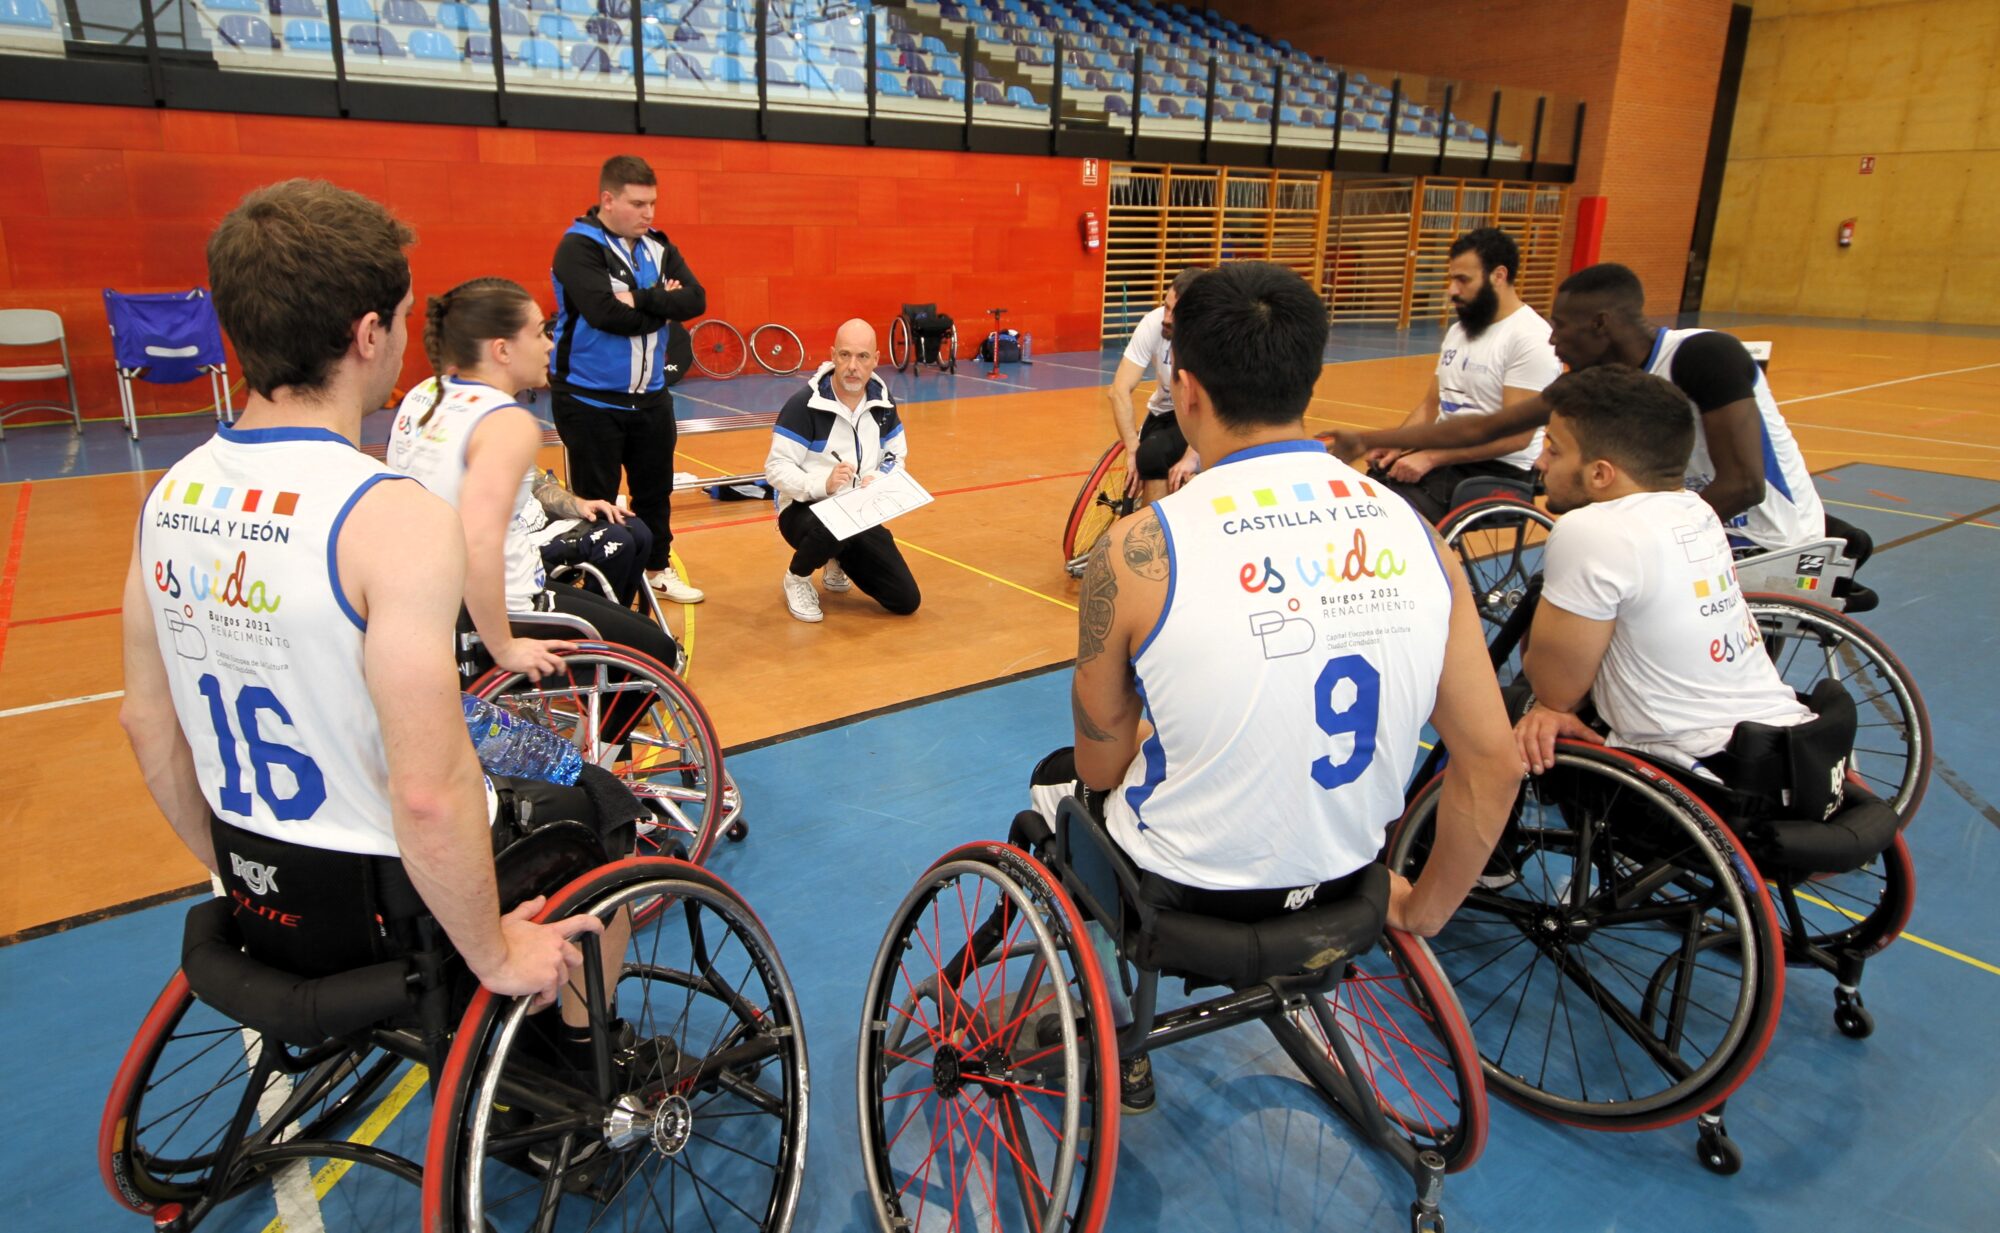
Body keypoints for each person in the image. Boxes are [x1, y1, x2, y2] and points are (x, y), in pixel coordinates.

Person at [118, 179, 601, 1018]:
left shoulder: (169, 495)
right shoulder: (388, 517)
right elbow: (426, 788)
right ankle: (577, 1054)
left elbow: (147, 724)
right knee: (591, 795)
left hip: (264, 879)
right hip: (385, 894)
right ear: (368, 332)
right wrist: (491, 949)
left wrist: (245, 875)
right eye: (406, 316)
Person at [1054, 263, 1522, 1112]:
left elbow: (1098, 768)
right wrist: (1424, 910)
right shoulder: (1420, 534)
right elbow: (1492, 760)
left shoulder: (1135, 550)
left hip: (1182, 894)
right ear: (1309, 380)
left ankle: (1070, 1013)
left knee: (1063, 789)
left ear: (1184, 389)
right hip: (1349, 885)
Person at [1334, 263, 1835, 558]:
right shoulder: (1600, 381)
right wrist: (1373, 437)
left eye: (1561, 326)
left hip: (1769, 538)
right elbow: (1492, 425)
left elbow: (1743, 484)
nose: (1552, 338)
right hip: (1699, 527)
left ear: (1600, 324)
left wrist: (1637, 540)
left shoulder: (1704, 355)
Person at [386, 277, 683, 709]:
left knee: (626, 621)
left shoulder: (425, 395)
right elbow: (479, 541)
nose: (551, 343)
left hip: (430, 603)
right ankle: (594, 769)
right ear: (502, 349)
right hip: (499, 609)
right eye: (541, 331)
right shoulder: (505, 421)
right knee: (659, 654)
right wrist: (504, 645)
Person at [1512, 365, 1810, 778]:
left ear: (1600, 473)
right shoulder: (1697, 509)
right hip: (1778, 745)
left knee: (1497, 714)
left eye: (1553, 449)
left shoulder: (1593, 529)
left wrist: (1547, 698)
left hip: (1689, 767)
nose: (1540, 462)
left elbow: (1554, 690)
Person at [550, 154, 706, 604]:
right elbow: (602, 314)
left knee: (654, 493)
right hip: (589, 400)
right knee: (596, 499)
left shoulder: (659, 246)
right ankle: (599, 586)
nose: (649, 214)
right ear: (608, 200)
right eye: (638, 204)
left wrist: (638, 298)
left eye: (653, 203)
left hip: (651, 399)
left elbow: (694, 300)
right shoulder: (578, 247)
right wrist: (660, 305)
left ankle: (658, 569)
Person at [1365, 227, 1560, 522]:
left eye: (1463, 280)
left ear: (1499, 276)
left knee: (1396, 514)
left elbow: (1516, 438)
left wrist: (1430, 457)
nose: (1452, 290)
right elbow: (1431, 406)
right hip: (1450, 457)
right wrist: (1399, 442)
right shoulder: (1459, 331)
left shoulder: (1530, 339)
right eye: (1451, 279)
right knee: (1368, 491)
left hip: (1499, 470)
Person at [764, 319, 923, 623]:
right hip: (802, 510)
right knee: (835, 524)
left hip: (856, 512)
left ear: (875, 360)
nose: (853, 365)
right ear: (833, 356)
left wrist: (878, 477)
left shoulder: (884, 404)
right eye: (845, 355)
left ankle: (836, 555)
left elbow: (895, 455)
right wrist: (822, 483)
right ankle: (797, 577)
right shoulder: (804, 405)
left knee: (904, 599)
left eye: (862, 357)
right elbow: (776, 469)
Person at [1106, 267, 1206, 513]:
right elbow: (1118, 390)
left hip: (1203, 416)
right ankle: (1149, 530)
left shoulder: (1213, 336)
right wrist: (1132, 449)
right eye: (1167, 307)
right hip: (1166, 413)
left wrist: (1191, 457)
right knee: (1147, 455)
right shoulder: (1153, 323)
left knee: (1164, 458)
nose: (1167, 318)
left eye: (1176, 312)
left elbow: (1218, 406)